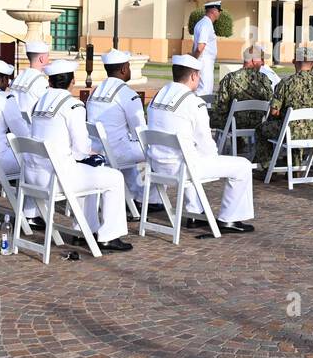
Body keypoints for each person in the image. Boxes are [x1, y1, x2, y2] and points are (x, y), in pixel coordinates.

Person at [25, 59, 132, 252]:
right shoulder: (72, 106)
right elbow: (81, 148)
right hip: (57, 178)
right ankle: (109, 235)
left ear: (50, 82)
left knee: (89, 171)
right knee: (114, 177)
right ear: (71, 81)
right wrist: (90, 153)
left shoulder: (39, 102)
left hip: (34, 176)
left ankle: (84, 231)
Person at [146, 55, 255, 233]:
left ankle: (195, 213)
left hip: (157, 166)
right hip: (182, 169)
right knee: (242, 166)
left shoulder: (156, 98)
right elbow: (205, 142)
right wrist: (214, 160)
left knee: (189, 154)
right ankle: (230, 219)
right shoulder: (193, 102)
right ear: (193, 76)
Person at [87, 48, 157, 200]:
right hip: (115, 152)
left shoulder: (95, 91)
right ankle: (149, 199)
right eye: (129, 66)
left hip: (97, 149)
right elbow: (140, 132)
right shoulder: (127, 94)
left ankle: (131, 194)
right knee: (153, 151)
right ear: (124, 69)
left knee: (131, 147)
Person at [253, 46, 313, 170]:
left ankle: (266, 167)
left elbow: (274, 111)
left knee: (261, 129)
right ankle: (296, 167)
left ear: (294, 61)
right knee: (293, 125)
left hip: (290, 132)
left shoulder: (286, 83)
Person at [208, 46, 274, 153]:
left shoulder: (230, 79)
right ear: (253, 60)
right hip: (259, 124)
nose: (263, 63)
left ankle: (206, 151)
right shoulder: (264, 80)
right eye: (261, 60)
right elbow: (270, 102)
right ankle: (240, 144)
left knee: (206, 114)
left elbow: (221, 107)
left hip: (233, 124)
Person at [9, 41, 50, 121]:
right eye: (48, 57)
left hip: (15, 127)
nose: (49, 60)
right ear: (42, 59)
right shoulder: (40, 81)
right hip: (32, 129)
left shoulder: (18, 77)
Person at [192, 1, 222, 96]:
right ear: (213, 10)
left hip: (204, 61)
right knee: (205, 90)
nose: (219, 13)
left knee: (203, 89)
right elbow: (200, 47)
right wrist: (195, 60)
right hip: (204, 61)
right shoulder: (206, 24)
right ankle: (203, 110)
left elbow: (196, 46)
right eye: (218, 10)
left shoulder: (202, 23)